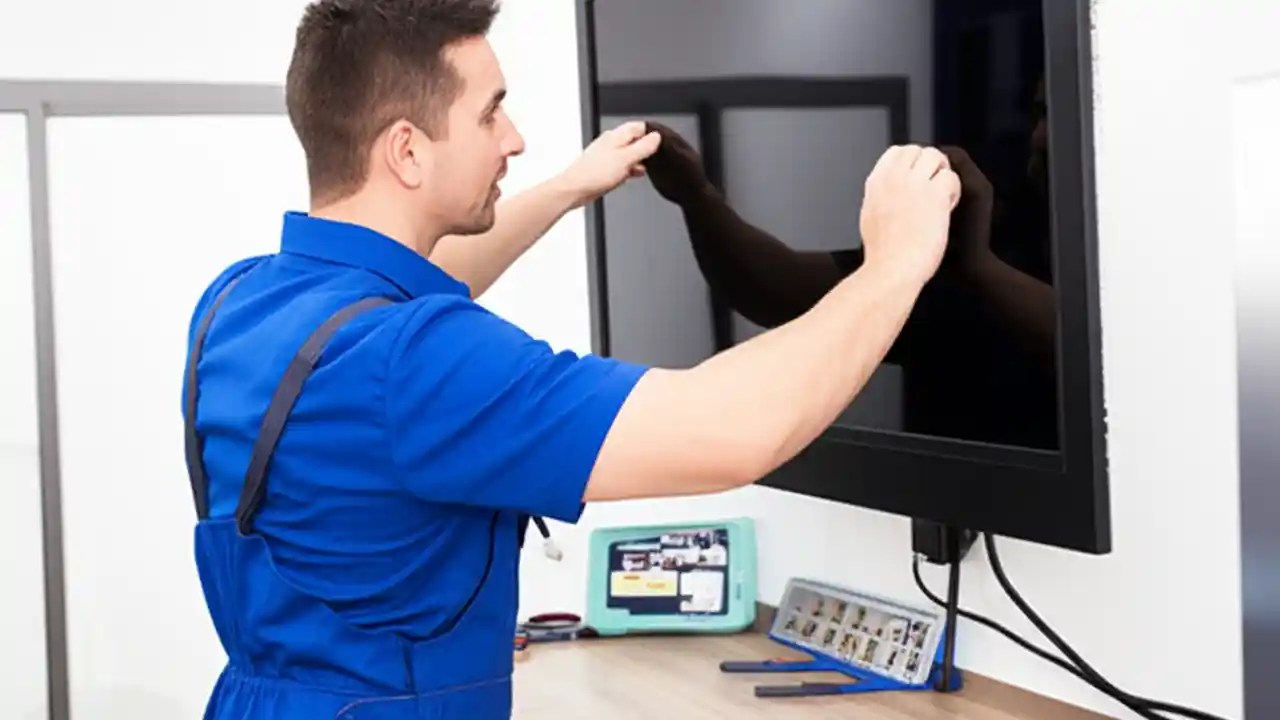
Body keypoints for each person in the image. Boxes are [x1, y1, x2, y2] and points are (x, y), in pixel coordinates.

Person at [180, 0, 959, 718]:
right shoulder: (418, 362)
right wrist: (896, 260)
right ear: (407, 151)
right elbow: (736, 429)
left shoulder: (242, 302)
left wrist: (566, 190)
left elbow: (408, 292)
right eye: (490, 114)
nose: (513, 137)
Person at [640, 86, 1058, 450]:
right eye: (1039, 113)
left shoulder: (1105, 258)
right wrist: (696, 196)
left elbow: (1091, 350)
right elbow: (776, 287)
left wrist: (979, 268)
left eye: (1054, 115)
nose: (1039, 135)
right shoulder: (1000, 223)